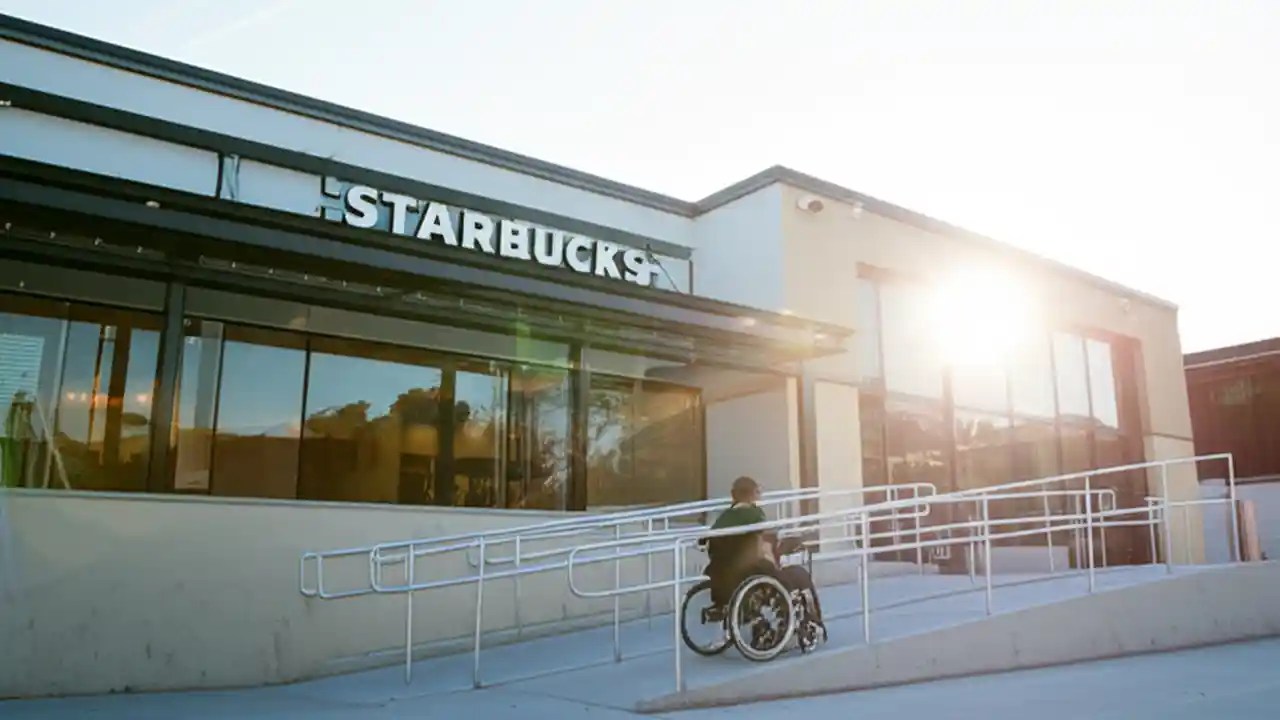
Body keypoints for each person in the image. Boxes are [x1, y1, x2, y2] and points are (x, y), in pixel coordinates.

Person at [704, 476, 821, 623]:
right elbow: (765, 542)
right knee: (800, 574)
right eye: (757, 492)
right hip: (752, 570)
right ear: (752, 494)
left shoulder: (724, 517)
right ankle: (810, 621)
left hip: (725, 571)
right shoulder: (754, 514)